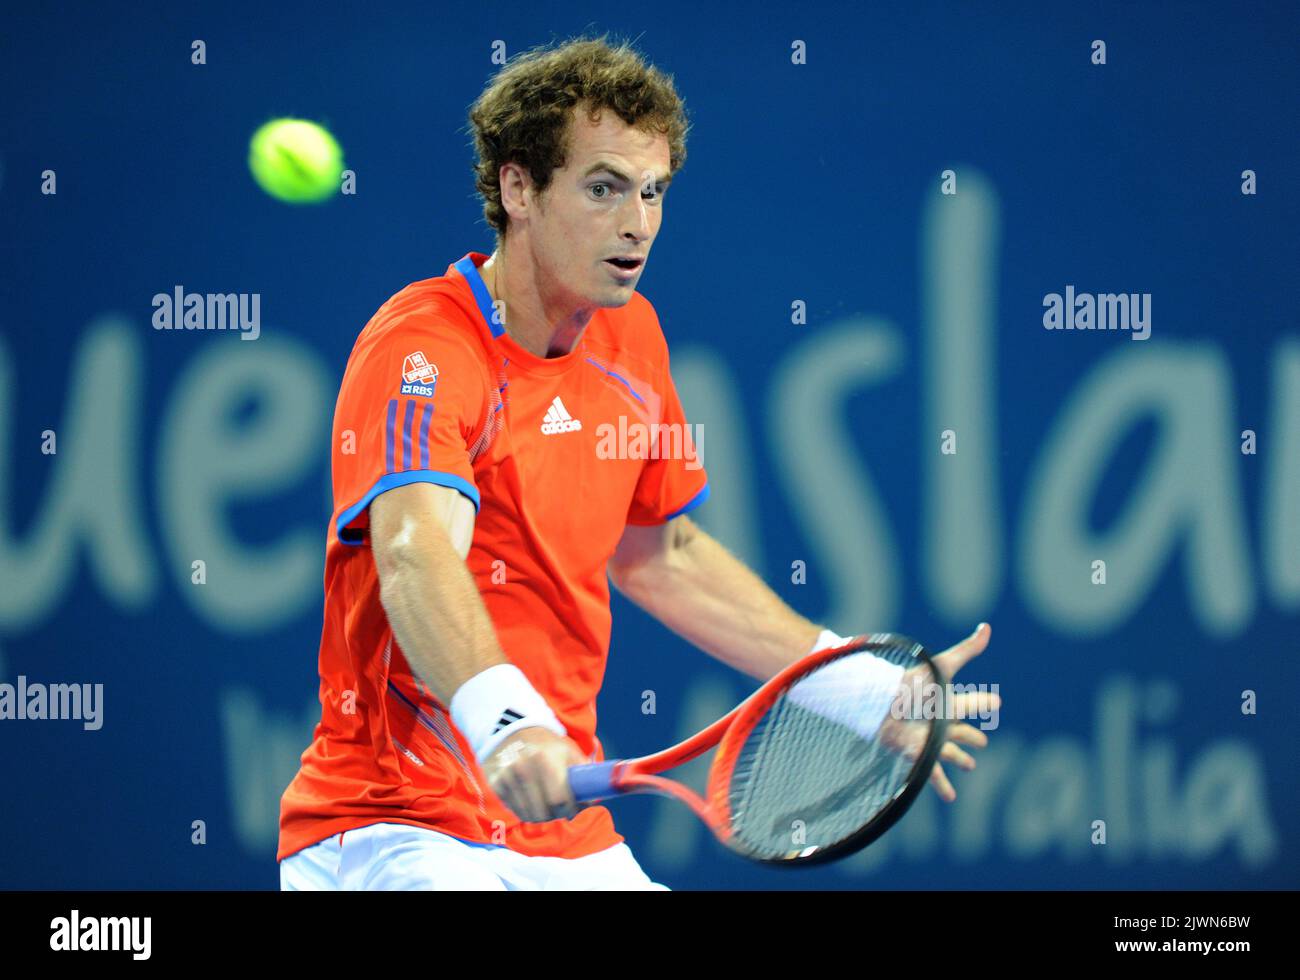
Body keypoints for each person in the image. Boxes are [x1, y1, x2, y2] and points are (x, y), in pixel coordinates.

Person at [278, 34, 998, 891]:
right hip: (394, 825)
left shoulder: (632, 338)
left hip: (564, 838)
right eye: (604, 188)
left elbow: (662, 554)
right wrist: (503, 720)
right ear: (518, 188)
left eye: (653, 192)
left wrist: (852, 689)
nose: (639, 223)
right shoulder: (424, 347)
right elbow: (413, 551)